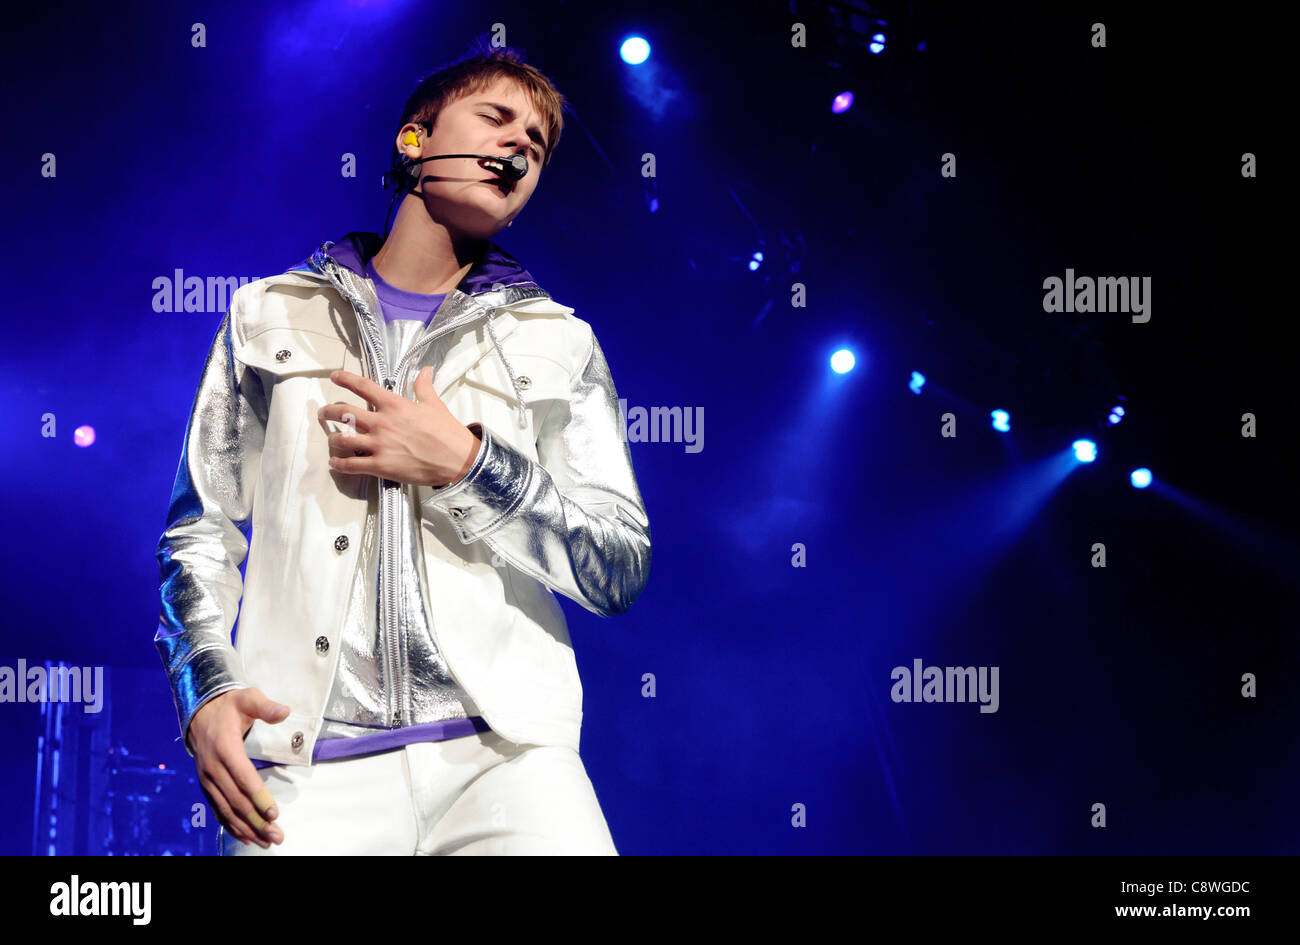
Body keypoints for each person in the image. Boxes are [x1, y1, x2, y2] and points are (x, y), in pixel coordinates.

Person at [153, 41, 651, 855]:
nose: (520, 145)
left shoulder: (559, 341)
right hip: (308, 767)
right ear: (414, 139)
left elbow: (618, 565)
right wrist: (205, 687)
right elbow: (199, 533)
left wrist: (470, 466)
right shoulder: (266, 314)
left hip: (508, 760)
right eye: (497, 117)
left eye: (537, 142)